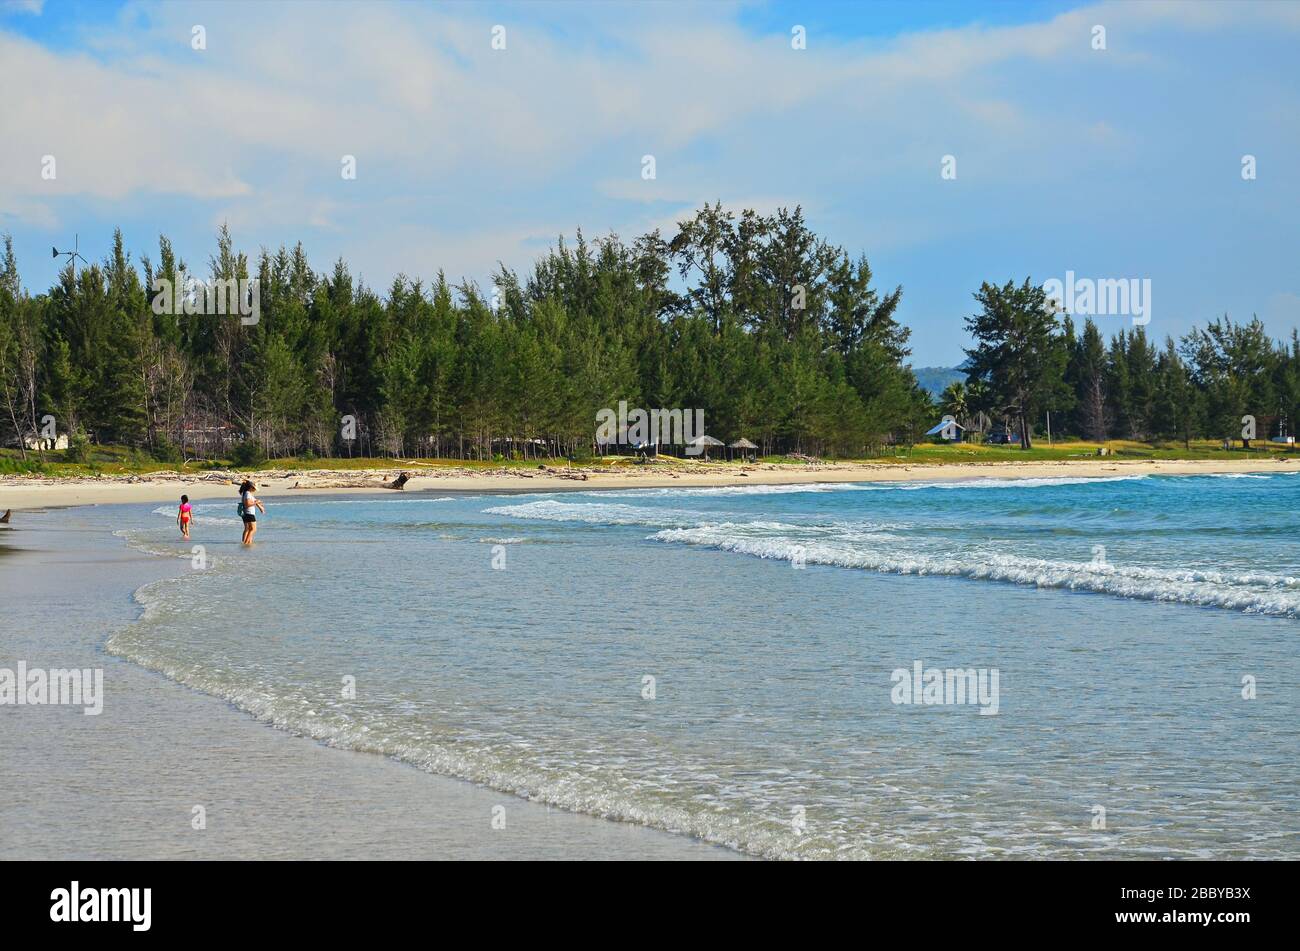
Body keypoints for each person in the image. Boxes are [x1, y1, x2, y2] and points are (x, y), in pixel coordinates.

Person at [239, 480, 265, 546]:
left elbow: (253, 501)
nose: (255, 490)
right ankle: (246, 543)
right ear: (251, 487)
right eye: (254, 488)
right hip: (249, 513)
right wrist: (256, 502)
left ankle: (246, 543)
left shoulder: (247, 493)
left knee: (248, 529)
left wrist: (260, 506)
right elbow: (247, 504)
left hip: (246, 513)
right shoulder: (248, 493)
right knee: (253, 529)